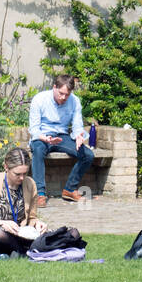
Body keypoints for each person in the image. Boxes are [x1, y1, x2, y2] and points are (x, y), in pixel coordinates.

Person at [27, 74, 94, 206]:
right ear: (54, 87)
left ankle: (69, 189)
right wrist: (45, 138)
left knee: (88, 155)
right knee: (38, 150)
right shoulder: (39, 99)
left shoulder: (74, 101)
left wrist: (79, 136)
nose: (63, 97)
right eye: (61, 93)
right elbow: (34, 129)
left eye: (67, 95)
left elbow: (77, 125)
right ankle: (40, 194)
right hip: (42, 135)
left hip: (62, 136)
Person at [0, 147, 47, 255]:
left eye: (25, 173)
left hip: (22, 235)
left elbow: (31, 218)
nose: (22, 178)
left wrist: (37, 223)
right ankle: (25, 251)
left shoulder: (30, 184)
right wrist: (1, 223)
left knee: (71, 233)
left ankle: (23, 249)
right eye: (17, 174)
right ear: (6, 167)